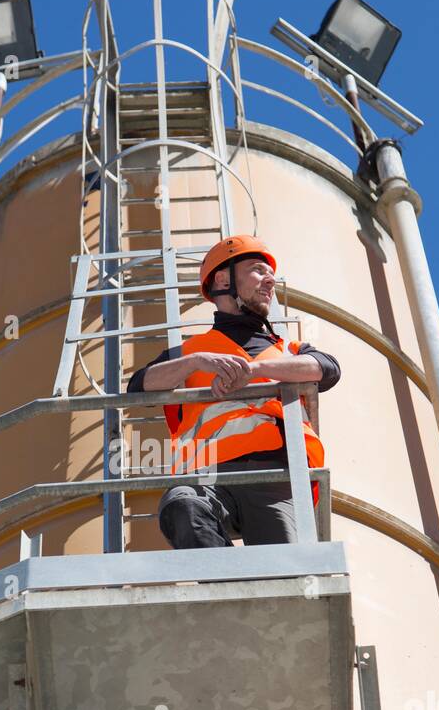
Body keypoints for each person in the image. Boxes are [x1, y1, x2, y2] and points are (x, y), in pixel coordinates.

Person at [125, 235, 341, 548]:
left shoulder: (289, 349)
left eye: (270, 273)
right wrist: (196, 362)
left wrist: (254, 371)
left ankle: (256, 591)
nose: (270, 280)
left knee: (284, 573)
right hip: (206, 473)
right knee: (181, 506)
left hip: (277, 476)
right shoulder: (191, 352)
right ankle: (227, 581)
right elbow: (137, 389)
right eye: (258, 270)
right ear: (223, 280)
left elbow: (327, 368)